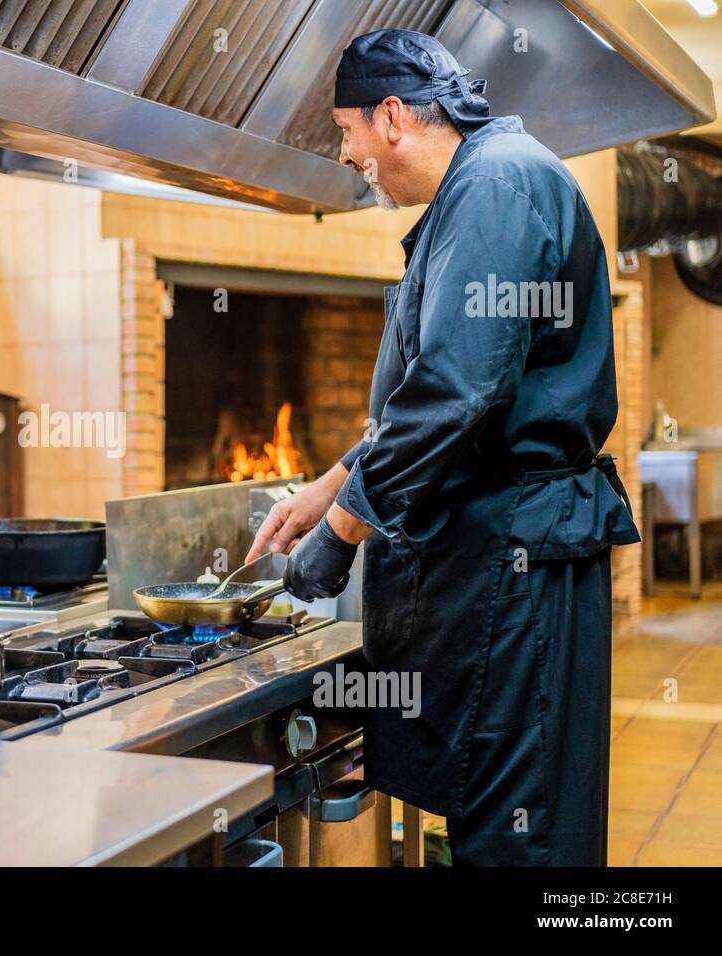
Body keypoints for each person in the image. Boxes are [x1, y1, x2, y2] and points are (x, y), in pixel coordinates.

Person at [247, 30, 639, 865]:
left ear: (392, 116)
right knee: (497, 824)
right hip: (500, 563)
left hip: (518, 568)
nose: (347, 152)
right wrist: (330, 484)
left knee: (517, 842)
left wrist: (342, 534)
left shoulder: (496, 185)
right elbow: (440, 388)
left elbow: (460, 393)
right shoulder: (485, 184)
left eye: (345, 130)